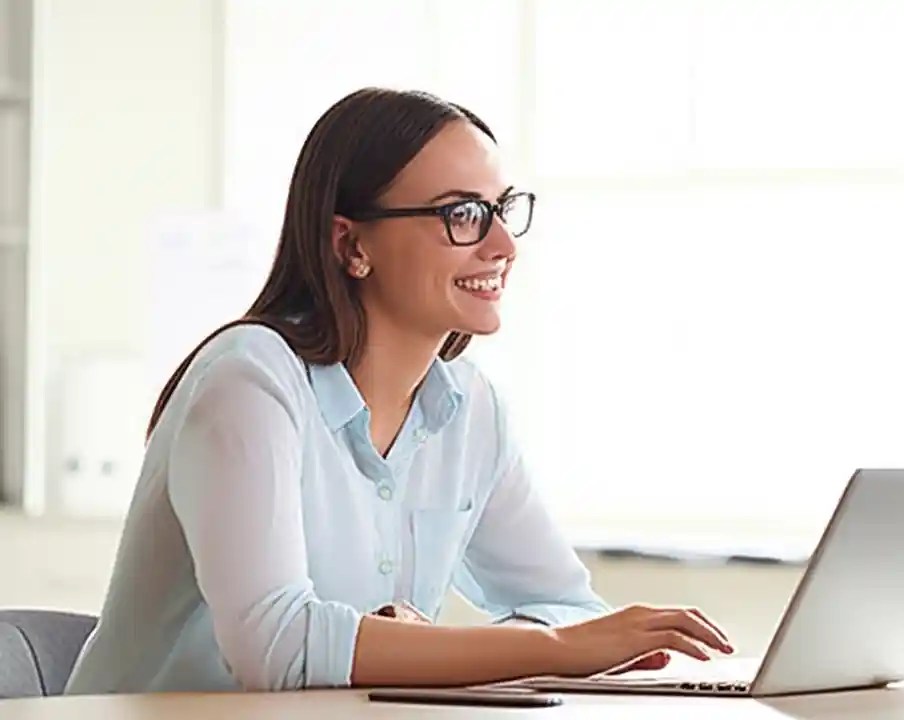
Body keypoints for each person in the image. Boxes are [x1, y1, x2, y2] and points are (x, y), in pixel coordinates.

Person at [64, 88, 733, 695]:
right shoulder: (251, 380)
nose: (503, 244)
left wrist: (457, 644)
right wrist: (545, 647)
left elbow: (568, 605)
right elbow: (276, 648)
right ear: (351, 244)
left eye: (502, 210)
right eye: (463, 215)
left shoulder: (471, 411)